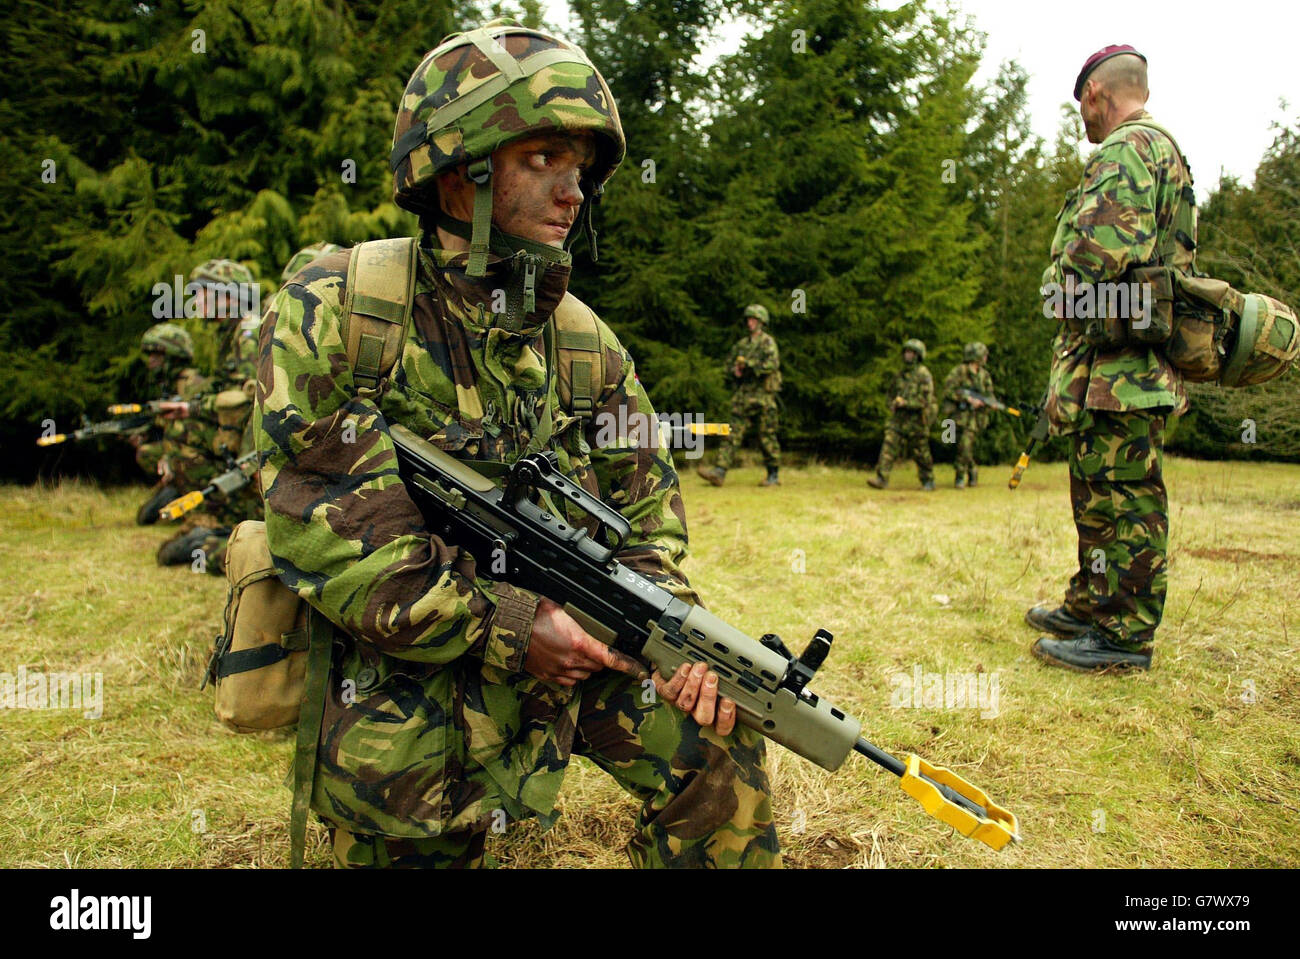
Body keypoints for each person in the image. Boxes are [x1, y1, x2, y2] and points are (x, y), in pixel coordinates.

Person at [254, 18, 779, 869]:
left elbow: (649, 510)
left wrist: (661, 628)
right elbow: (336, 541)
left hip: (575, 645)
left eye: (580, 169)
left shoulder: (583, 344)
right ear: (460, 174)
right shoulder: (342, 310)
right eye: (542, 161)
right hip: (405, 673)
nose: (574, 192)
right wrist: (514, 622)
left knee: (719, 751)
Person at [1026, 45, 1192, 673]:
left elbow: (1093, 259)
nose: (1084, 124)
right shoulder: (1156, 152)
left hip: (1126, 367)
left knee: (1126, 500)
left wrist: (1055, 279)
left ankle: (1124, 637)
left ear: (1095, 93)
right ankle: (1095, 605)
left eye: (1082, 109)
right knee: (1098, 493)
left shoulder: (1128, 149)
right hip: (1113, 367)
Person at [132, 323, 211, 525]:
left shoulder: (192, 385)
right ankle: (177, 489)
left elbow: (192, 433)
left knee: (148, 517)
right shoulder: (172, 385)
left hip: (200, 458)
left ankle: (191, 495)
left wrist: (169, 457)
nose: (151, 362)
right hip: (182, 455)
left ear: (173, 357)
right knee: (146, 453)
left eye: (157, 356)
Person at [696, 304, 782, 487]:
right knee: (732, 434)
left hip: (763, 397)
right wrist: (735, 371)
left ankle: (773, 475)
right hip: (743, 397)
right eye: (749, 319)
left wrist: (750, 365)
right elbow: (728, 366)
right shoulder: (741, 345)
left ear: (761, 322)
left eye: (754, 319)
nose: (750, 323)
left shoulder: (768, 342)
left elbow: (772, 365)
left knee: (767, 435)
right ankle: (719, 471)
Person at [867, 338, 935, 491]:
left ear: (918, 355)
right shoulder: (900, 375)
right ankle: (881, 478)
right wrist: (892, 404)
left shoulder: (923, 375)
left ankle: (928, 480)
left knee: (921, 452)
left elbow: (926, 400)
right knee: (888, 445)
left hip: (917, 421)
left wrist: (906, 403)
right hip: (899, 420)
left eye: (911, 352)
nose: (907, 355)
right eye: (906, 352)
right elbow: (890, 394)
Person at [940, 341, 995, 489]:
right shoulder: (959, 372)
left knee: (965, 444)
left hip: (974, 418)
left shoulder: (984, 376)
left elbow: (989, 395)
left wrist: (986, 402)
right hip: (956, 416)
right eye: (983, 355)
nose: (985, 358)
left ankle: (959, 477)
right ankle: (972, 469)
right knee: (956, 445)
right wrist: (967, 399)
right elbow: (948, 391)